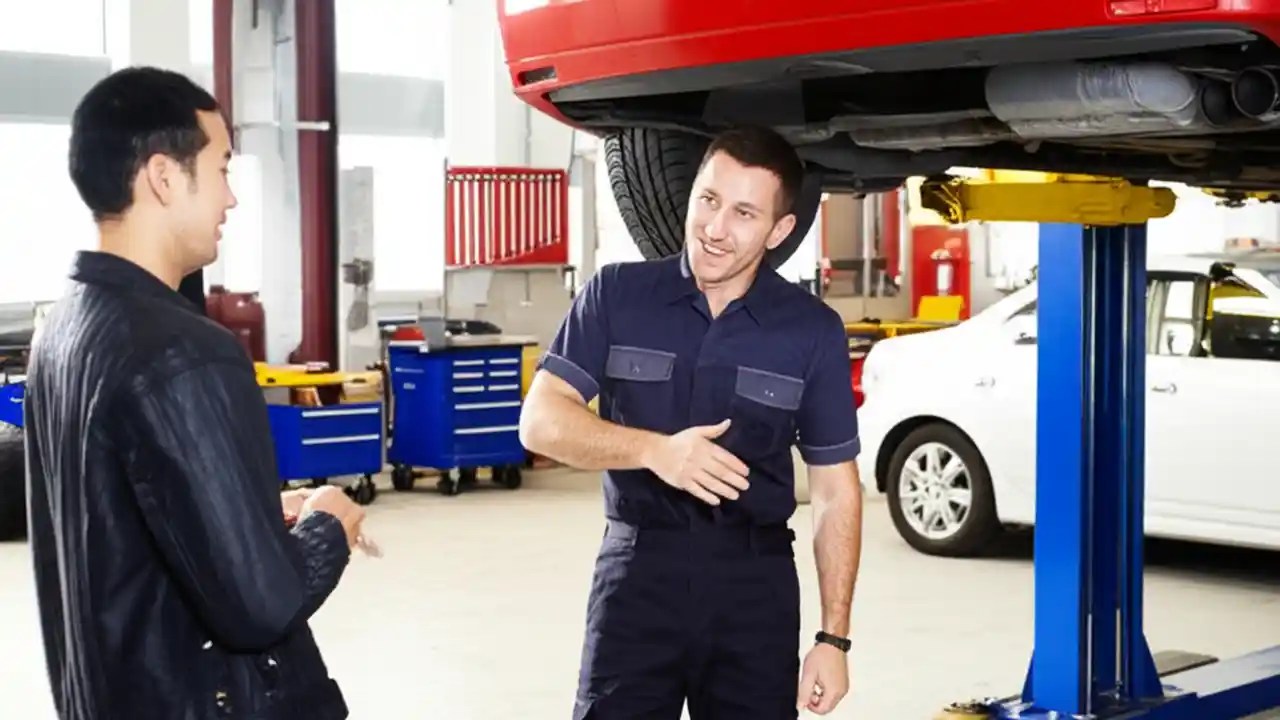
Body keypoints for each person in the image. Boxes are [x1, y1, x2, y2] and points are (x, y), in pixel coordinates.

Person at [23, 66, 364, 720]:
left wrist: (253, 511)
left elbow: (121, 521)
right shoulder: (186, 353)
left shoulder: (63, 330)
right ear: (164, 175)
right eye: (223, 169)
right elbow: (259, 606)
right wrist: (330, 528)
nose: (230, 200)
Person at [520, 126, 865, 719]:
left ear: (780, 231)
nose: (714, 228)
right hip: (636, 577)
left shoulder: (812, 331)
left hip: (754, 588)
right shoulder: (617, 295)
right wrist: (657, 452)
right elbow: (541, 422)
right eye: (708, 200)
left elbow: (836, 491)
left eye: (743, 213)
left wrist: (833, 639)